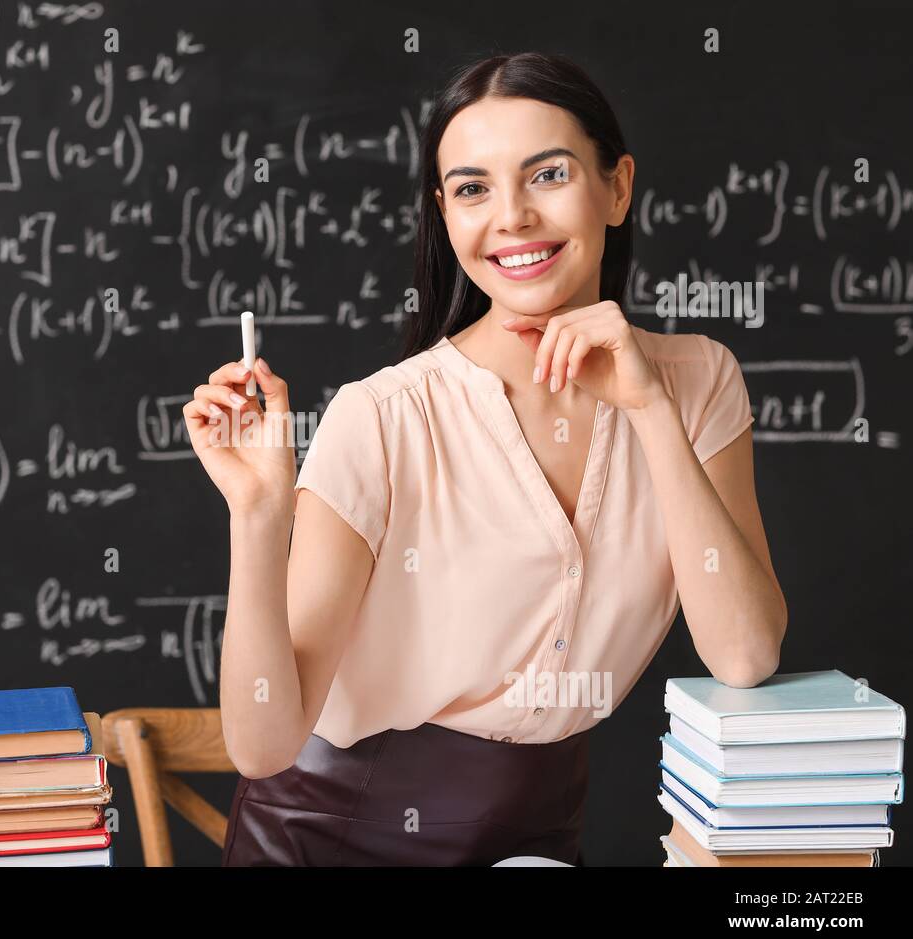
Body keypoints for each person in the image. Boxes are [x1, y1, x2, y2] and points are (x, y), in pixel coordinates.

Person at [183, 51, 787, 866]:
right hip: (329, 834)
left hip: (532, 839)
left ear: (617, 187)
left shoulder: (699, 381)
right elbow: (262, 745)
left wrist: (649, 410)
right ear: (445, 214)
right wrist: (259, 517)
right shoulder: (386, 416)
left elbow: (746, 655)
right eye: (472, 189)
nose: (512, 218)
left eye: (547, 175)